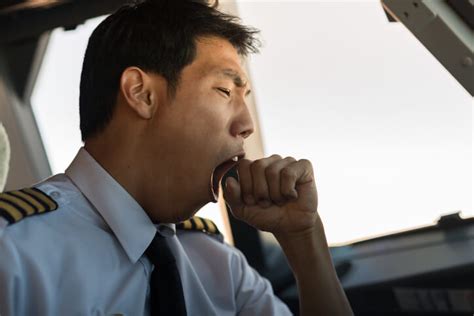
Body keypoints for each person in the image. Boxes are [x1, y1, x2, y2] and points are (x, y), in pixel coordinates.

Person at [0, 0, 353, 315]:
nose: (246, 125)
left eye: (244, 98)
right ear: (142, 94)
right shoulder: (14, 255)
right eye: (225, 90)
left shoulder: (218, 266)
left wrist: (304, 241)